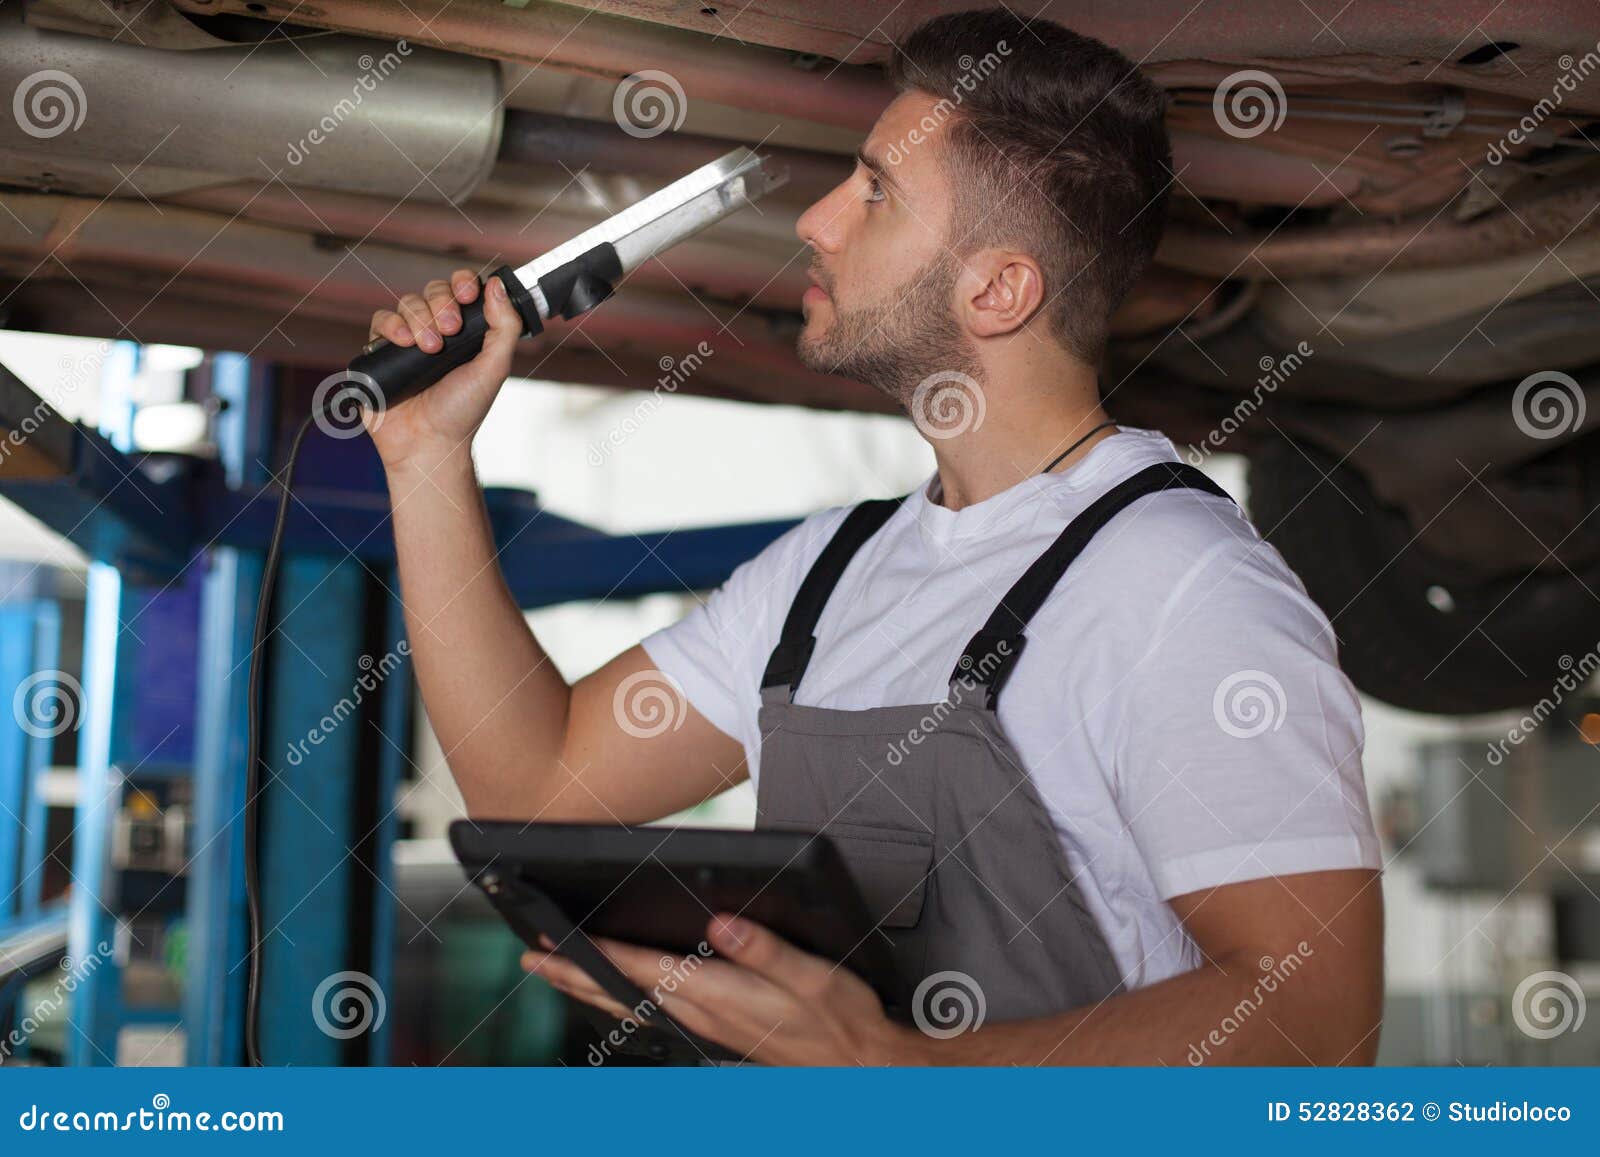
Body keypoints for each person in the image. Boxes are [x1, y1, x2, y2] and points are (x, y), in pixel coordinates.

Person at [364, 8, 1383, 1065]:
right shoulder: (823, 574)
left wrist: (898, 1069)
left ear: (997, 290)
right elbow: (535, 787)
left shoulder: (1184, 586)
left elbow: (1316, 1025)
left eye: (875, 191)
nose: (816, 219)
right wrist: (427, 457)